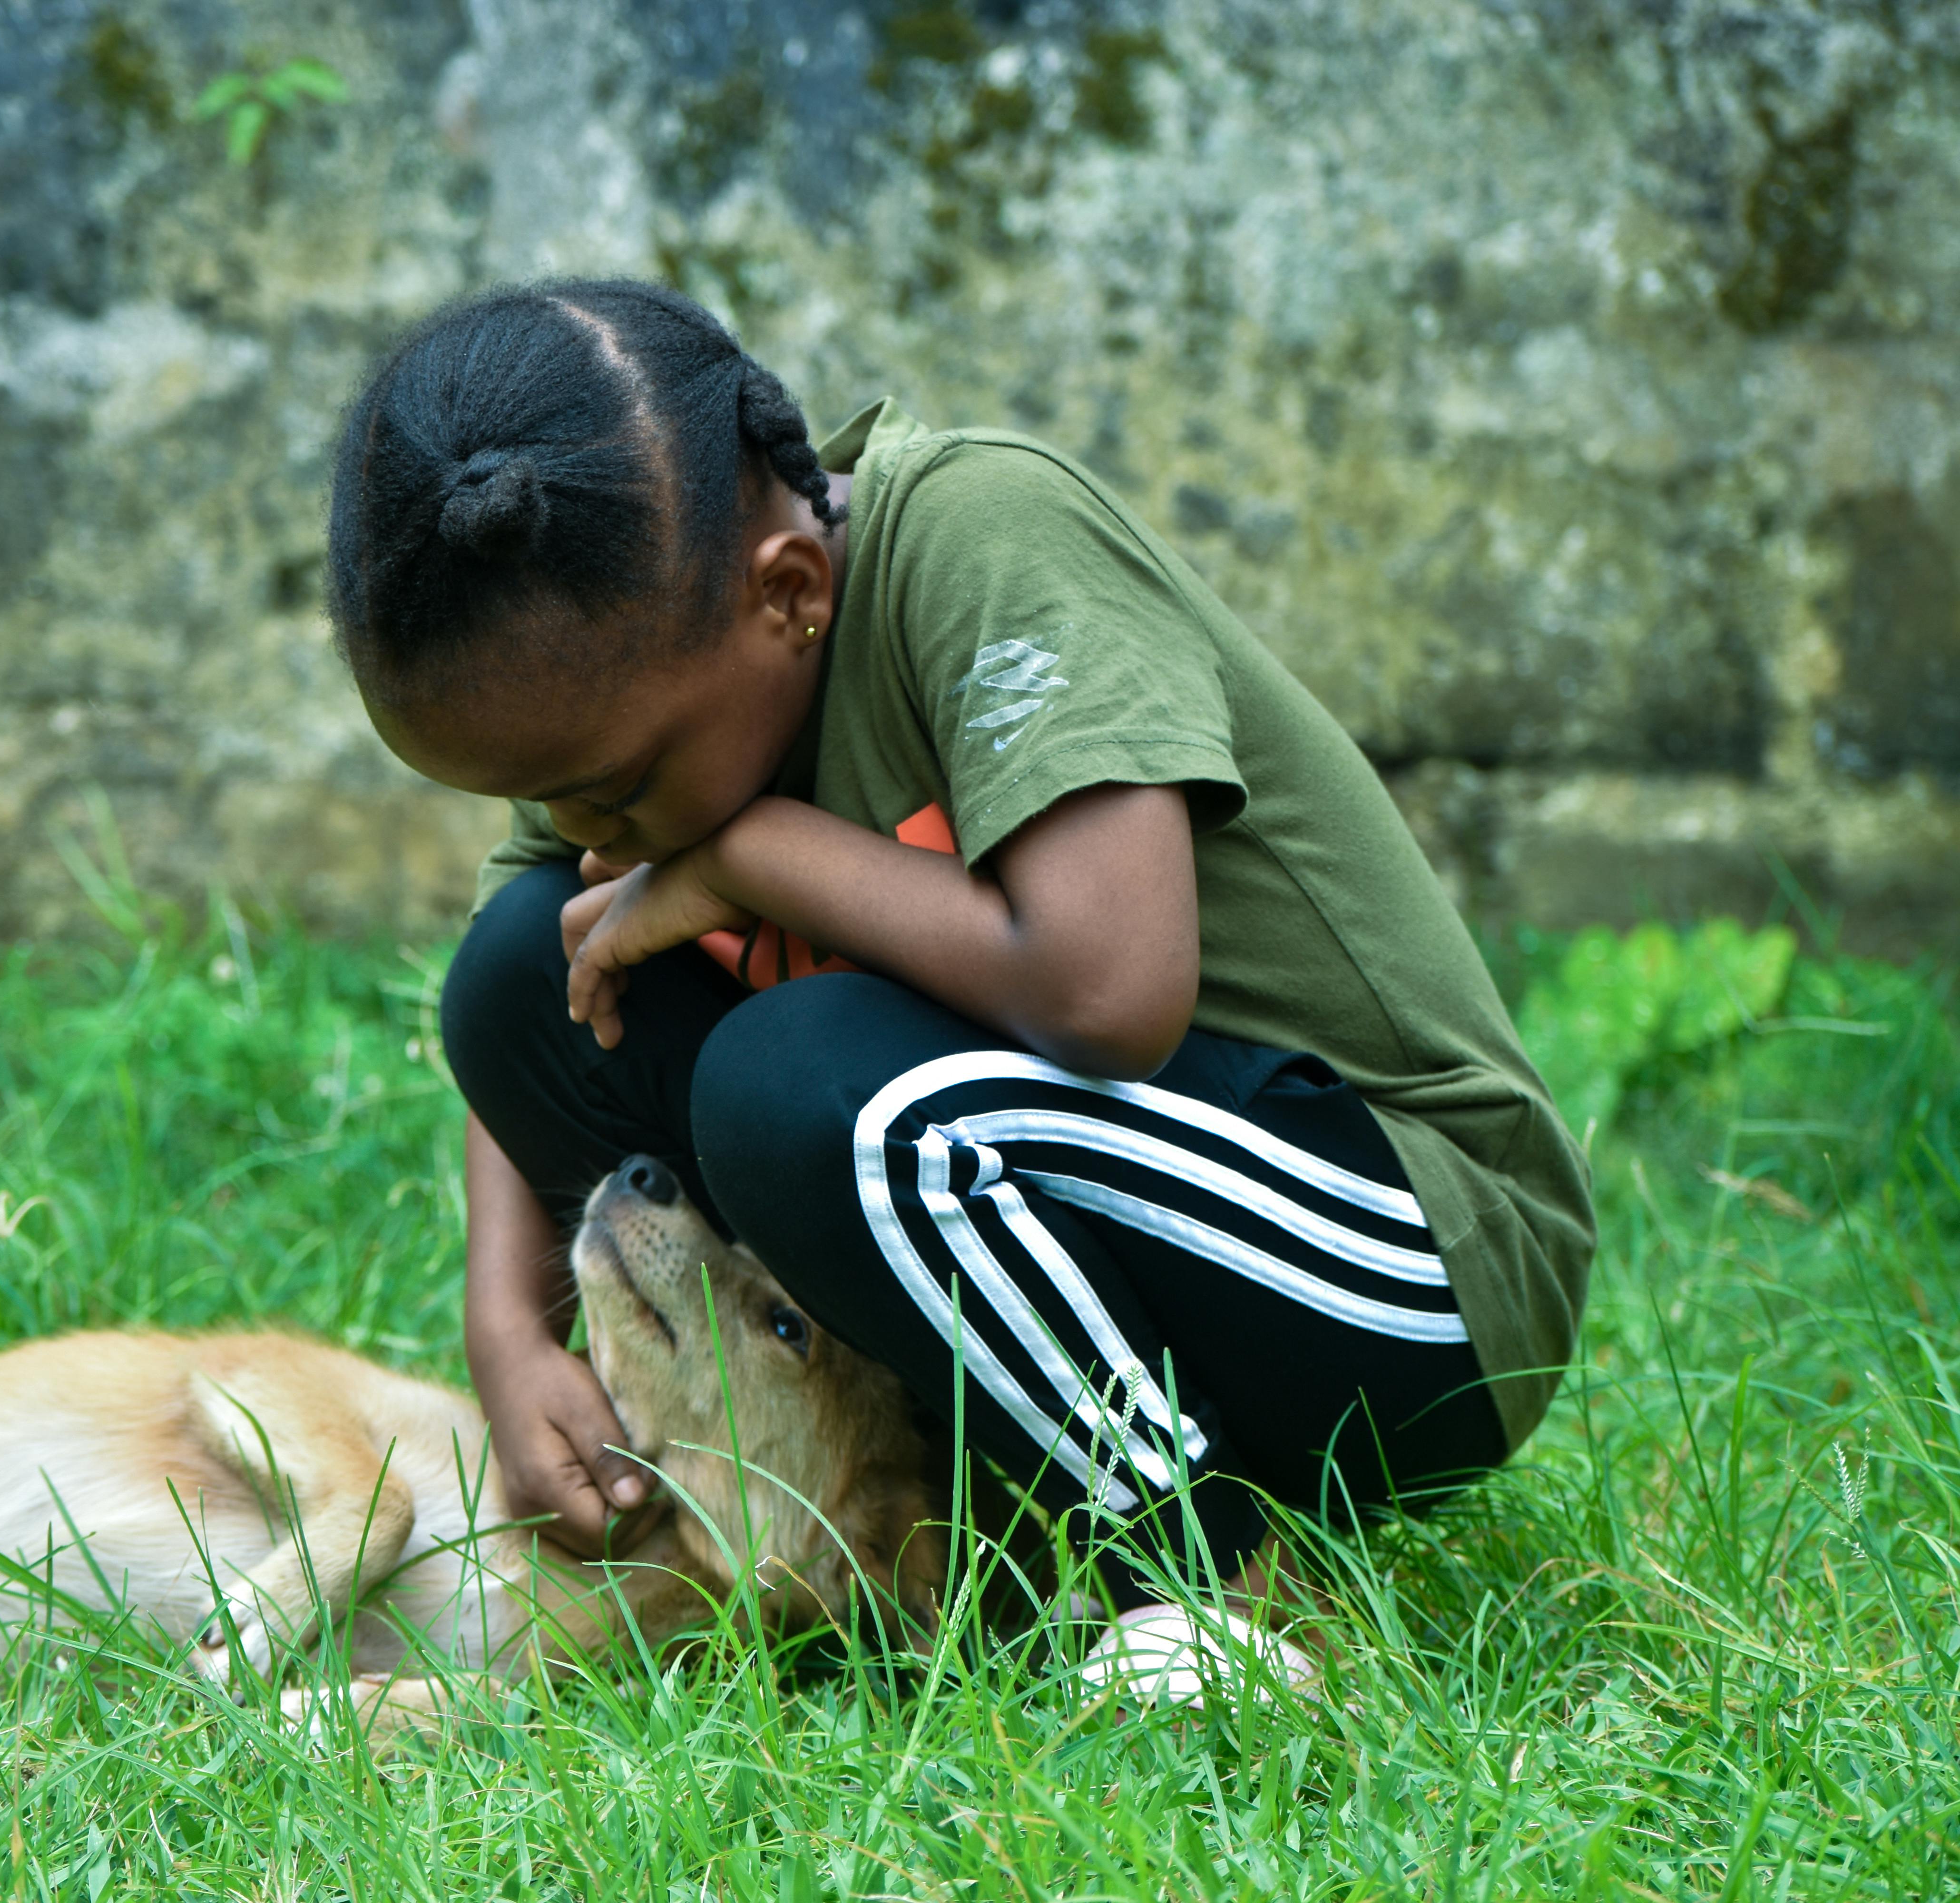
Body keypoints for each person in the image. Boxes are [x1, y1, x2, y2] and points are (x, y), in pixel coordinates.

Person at [323, 278, 1593, 1682]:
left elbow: (1108, 988)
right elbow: (545, 969)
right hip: (1054, 1217)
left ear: (790, 595)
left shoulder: (985, 539)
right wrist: (505, 1326)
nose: (582, 832)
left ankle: (1201, 1586)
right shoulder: (645, 706)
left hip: (1397, 1266)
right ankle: (967, 1549)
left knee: (809, 1086)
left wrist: (749, 851)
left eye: (608, 788)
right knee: (513, 969)